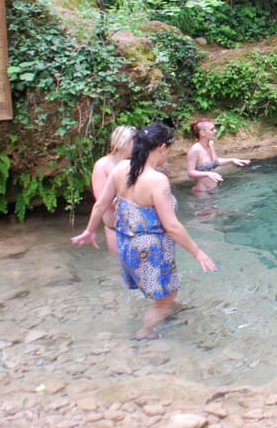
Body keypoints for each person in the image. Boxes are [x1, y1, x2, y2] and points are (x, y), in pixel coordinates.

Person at [71, 123, 217, 339]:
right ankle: (145, 332)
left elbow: (101, 204)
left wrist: (90, 230)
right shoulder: (157, 181)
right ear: (161, 148)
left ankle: (167, 309)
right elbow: (172, 226)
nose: (168, 154)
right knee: (168, 295)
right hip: (152, 250)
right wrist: (197, 252)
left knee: (160, 292)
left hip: (127, 245)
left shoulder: (121, 169)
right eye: (169, 149)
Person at [91, 125, 135, 254]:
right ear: (125, 142)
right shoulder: (102, 165)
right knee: (119, 268)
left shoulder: (132, 164)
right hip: (115, 228)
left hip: (136, 228)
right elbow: (102, 200)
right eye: (135, 141)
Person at [186, 118, 251, 193]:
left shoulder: (210, 144)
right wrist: (207, 173)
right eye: (212, 129)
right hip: (202, 191)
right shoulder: (195, 150)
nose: (215, 131)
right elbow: (190, 173)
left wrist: (232, 160)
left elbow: (215, 162)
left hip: (214, 188)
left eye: (214, 129)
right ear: (202, 133)